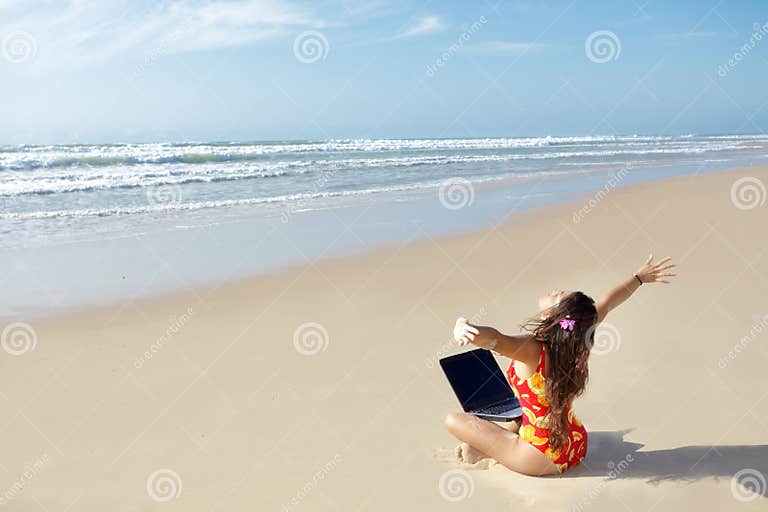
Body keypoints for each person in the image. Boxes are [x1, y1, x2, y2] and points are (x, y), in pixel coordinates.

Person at [446, 255, 676, 475]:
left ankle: (489, 450)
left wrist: (468, 330)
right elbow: (609, 301)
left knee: (455, 420)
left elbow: (497, 339)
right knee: (518, 414)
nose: (555, 291)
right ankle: (493, 444)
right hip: (575, 445)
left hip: (539, 456)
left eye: (558, 297)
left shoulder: (533, 347)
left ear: (558, 316)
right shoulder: (577, 337)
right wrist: (639, 278)